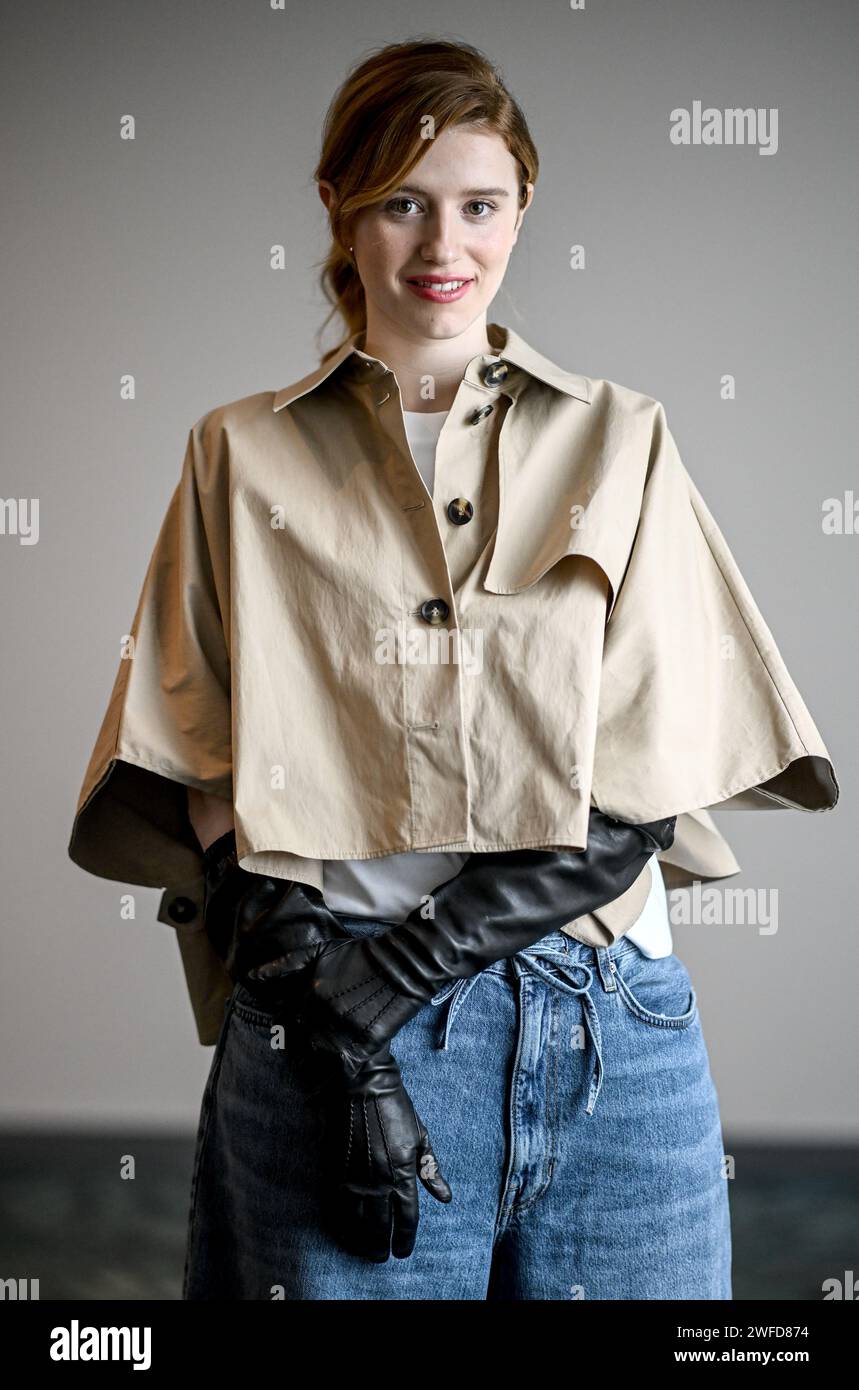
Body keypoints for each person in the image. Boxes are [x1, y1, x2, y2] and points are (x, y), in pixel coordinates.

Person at [68, 39, 839, 1300]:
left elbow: (649, 778)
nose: (444, 242)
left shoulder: (624, 439)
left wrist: (394, 981)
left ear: (522, 209)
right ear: (338, 207)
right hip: (318, 1032)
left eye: (479, 204)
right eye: (402, 202)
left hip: (610, 1038)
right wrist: (351, 1041)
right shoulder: (236, 454)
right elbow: (197, 770)